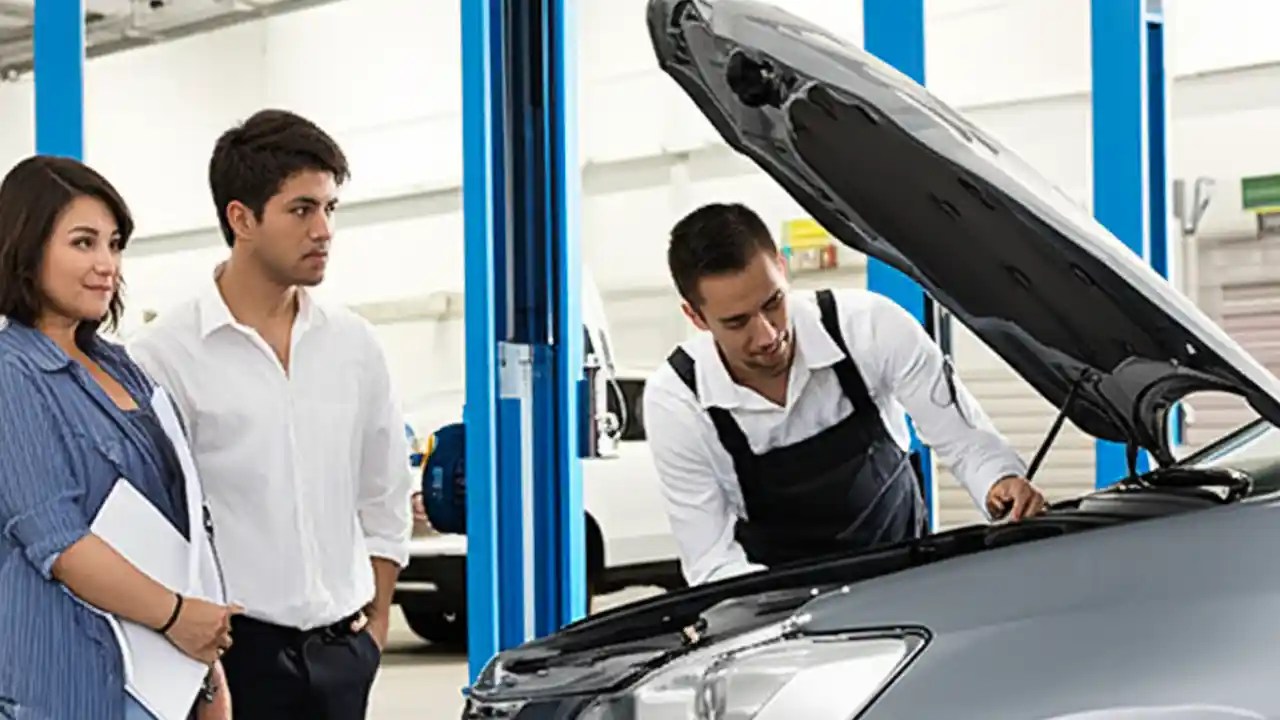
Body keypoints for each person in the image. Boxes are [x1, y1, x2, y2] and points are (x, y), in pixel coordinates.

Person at [128, 110, 414, 720]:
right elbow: (159, 528)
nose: (324, 230)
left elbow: (382, 492)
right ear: (242, 218)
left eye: (331, 209)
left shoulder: (355, 344)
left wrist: (377, 624)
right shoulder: (165, 356)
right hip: (233, 659)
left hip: (344, 651)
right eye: (301, 209)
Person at [642, 203, 1046, 586]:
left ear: (782, 269)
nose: (767, 335)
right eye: (737, 322)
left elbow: (964, 440)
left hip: (908, 577)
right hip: (784, 615)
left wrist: (1000, 480)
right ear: (695, 317)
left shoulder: (870, 328)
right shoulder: (678, 402)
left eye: (773, 302)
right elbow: (712, 561)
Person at [0, 156, 235, 720]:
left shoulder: (124, 367)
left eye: (114, 244)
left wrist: (208, 673)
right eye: (83, 243)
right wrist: (180, 619)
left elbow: (176, 526)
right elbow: (59, 542)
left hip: (166, 679)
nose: (107, 264)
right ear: (26, 251)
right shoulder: (12, 375)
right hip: (71, 687)